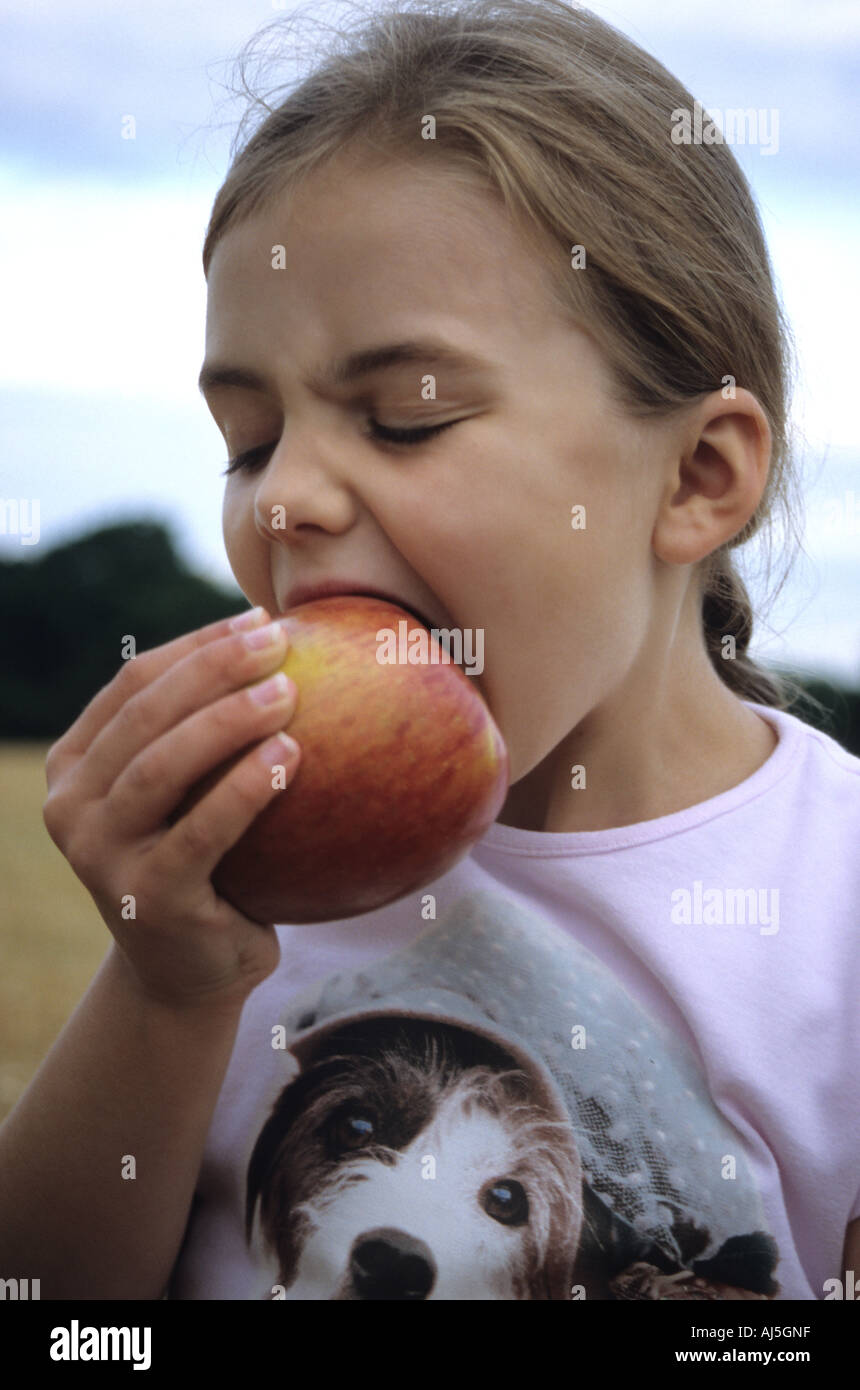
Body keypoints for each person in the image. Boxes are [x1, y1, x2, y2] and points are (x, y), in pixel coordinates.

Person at [1, 0, 857, 1301]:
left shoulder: (837, 901)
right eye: (248, 439)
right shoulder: (236, 891)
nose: (283, 495)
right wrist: (167, 985)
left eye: (404, 417)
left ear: (696, 474)